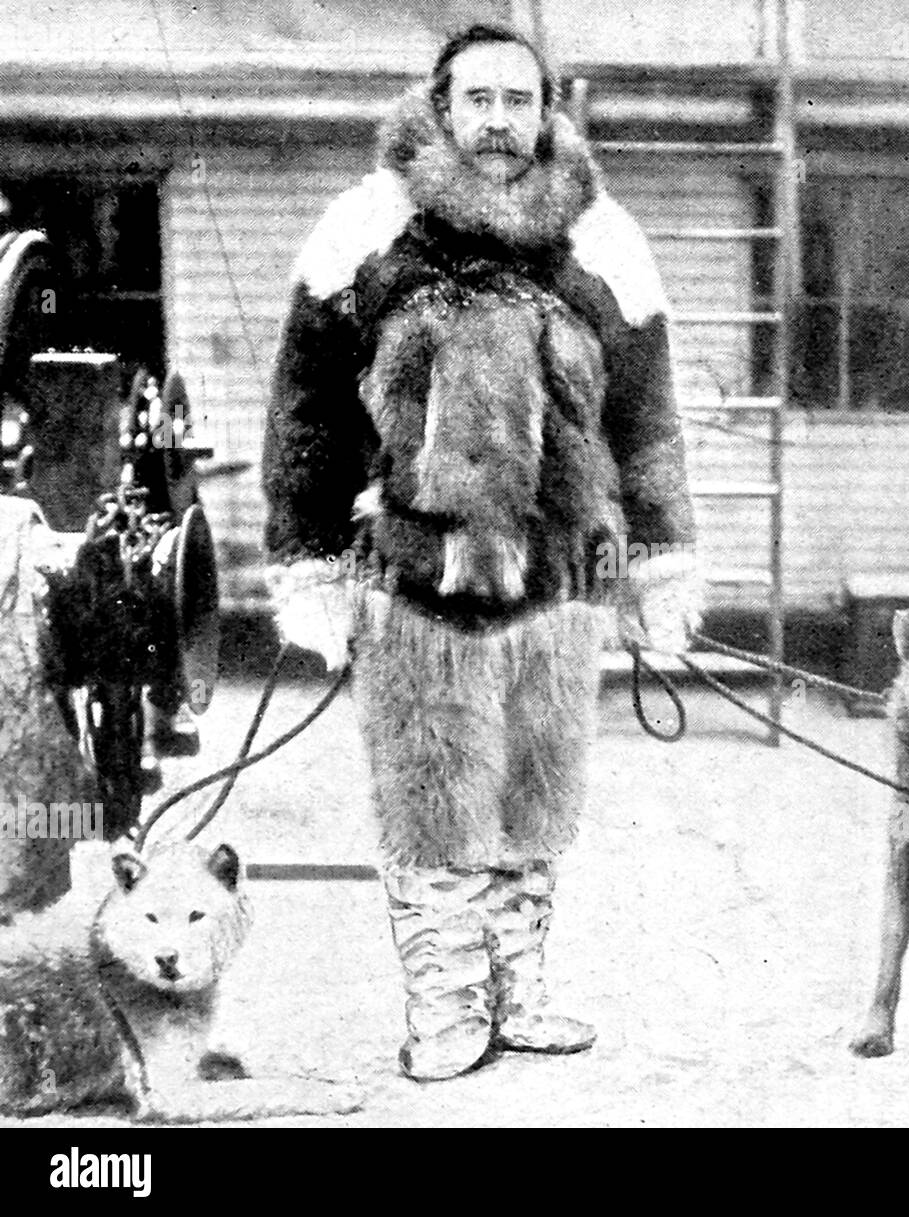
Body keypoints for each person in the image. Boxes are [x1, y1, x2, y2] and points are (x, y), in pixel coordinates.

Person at [262, 24, 700, 1081]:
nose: (501, 120)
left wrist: (660, 557)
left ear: (549, 111)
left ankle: (521, 993)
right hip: (418, 584)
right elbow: (309, 409)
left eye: (521, 99)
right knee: (435, 803)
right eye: (479, 99)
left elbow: (645, 416)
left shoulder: (601, 239)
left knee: (536, 804)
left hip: (560, 583)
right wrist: (309, 557)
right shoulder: (368, 229)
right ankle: (443, 1009)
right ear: (440, 105)